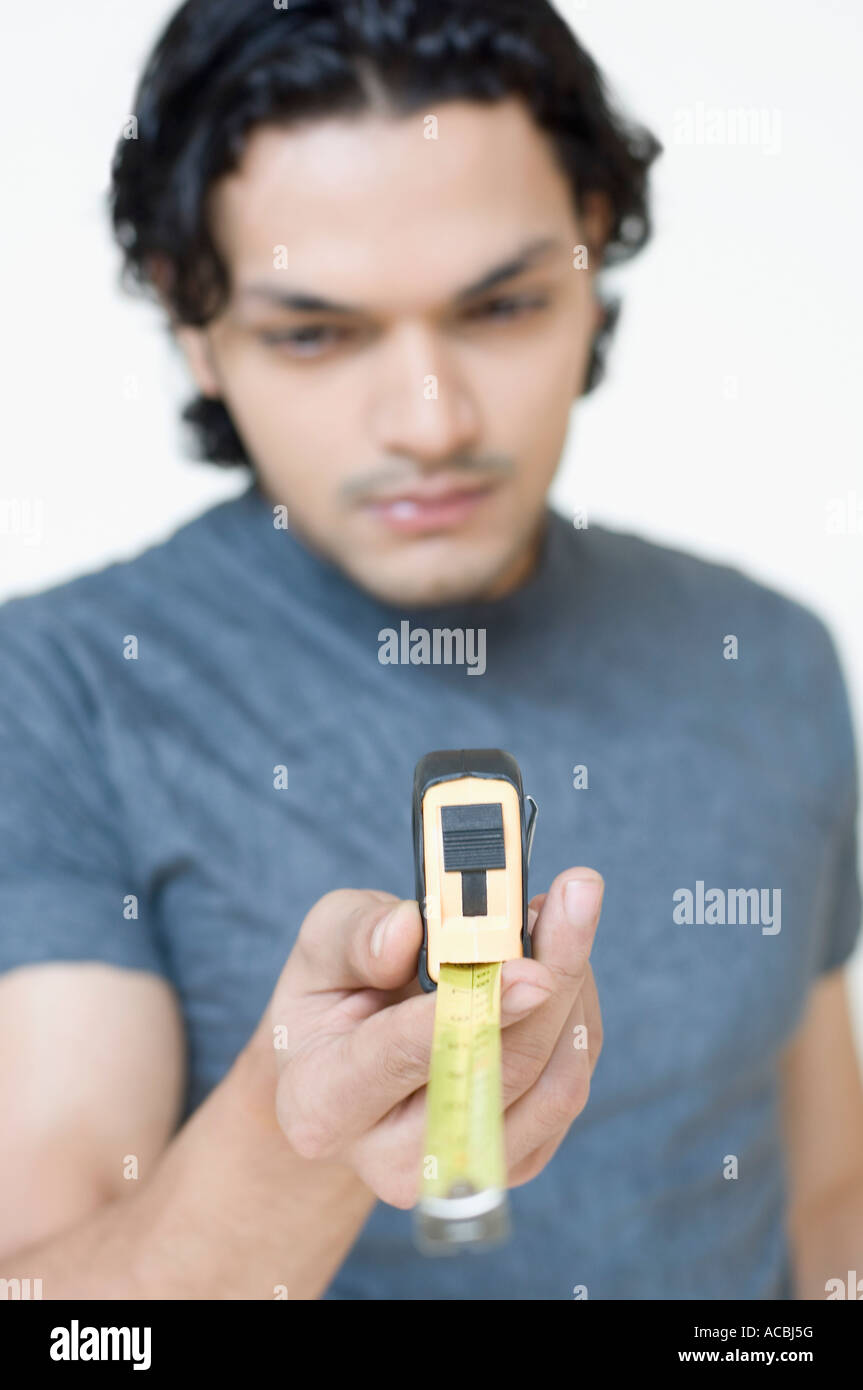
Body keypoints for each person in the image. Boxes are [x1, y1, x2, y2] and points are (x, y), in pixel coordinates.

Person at [1, 0, 861, 1301]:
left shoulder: (771, 654)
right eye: (315, 331)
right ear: (194, 321)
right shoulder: (55, 687)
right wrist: (299, 1131)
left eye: (503, 304)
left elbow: (822, 1196)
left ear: (589, 257)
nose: (432, 420)